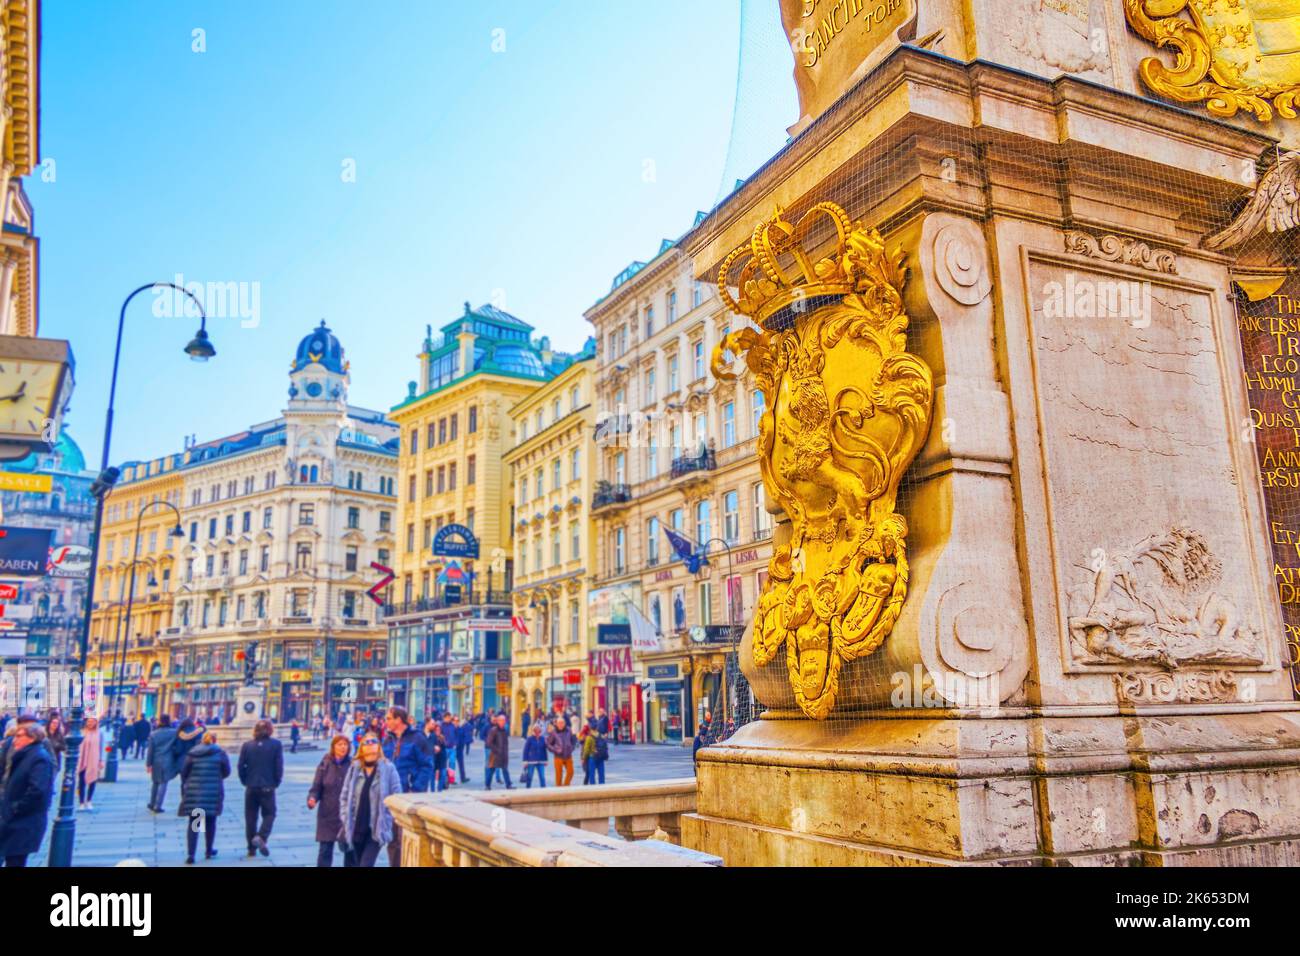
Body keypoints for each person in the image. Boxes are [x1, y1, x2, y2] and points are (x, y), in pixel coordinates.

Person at [381, 705, 432, 868]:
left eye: (389, 718)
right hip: (391, 797)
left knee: (407, 838)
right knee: (393, 840)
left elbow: (427, 766)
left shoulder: (417, 738)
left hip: (409, 795)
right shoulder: (388, 740)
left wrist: (415, 788)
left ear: (399, 719)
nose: (386, 721)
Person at [339, 733, 400, 867]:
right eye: (367, 742)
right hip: (355, 828)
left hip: (375, 830)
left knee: (366, 864)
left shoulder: (388, 768)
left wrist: (386, 820)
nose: (371, 744)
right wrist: (345, 817)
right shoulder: (354, 769)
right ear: (361, 748)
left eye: (374, 741)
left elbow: (397, 796)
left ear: (379, 746)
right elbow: (344, 796)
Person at [0, 723, 53, 866]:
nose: (14, 741)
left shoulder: (38, 758)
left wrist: (15, 808)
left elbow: (37, 791)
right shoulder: (26, 755)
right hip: (15, 820)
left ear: (32, 738)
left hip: (23, 822)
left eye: (19, 736)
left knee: (15, 860)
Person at [177, 731, 230, 864]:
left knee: (195, 824)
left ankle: (191, 854)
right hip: (213, 793)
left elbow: (184, 773)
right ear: (215, 740)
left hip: (195, 794)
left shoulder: (193, 753)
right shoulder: (220, 754)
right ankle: (208, 850)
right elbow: (227, 772)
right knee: (210, 822)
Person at [237, 719, 284, 858]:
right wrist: (276, 782)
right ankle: (261, 836)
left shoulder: (247, 746)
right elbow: (278, 766)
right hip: (268, 786)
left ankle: (251, 848)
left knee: (250, 818)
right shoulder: (276, 745)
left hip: (251, 786)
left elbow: (240, 766)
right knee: (270, 814)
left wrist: (245, 780)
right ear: (270, 730)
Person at [308, 734, 351, 867]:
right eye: (340, 744)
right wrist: (312, 798)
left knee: (350, 850)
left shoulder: (353, 765)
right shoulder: (325, 764)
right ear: (333, 747)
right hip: (327, 813)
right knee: (325, 850)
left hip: (346, 814)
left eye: (345, 744)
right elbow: (316, 787)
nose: (343, 747)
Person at [145, 713, 181, 812]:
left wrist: (148, 764)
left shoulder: (154, 734)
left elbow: (150, 751)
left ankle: (152, 803)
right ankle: (158, 806)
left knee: (155, 782)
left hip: (156, 760)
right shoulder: (174, 733)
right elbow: (177, 747)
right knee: (164, 782)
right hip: (168, 760)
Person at [77, 716, 103, 811]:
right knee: (81, 782)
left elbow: (103, 747)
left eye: (92, 721)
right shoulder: (81, 732)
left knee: (92, 780)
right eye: (89, 721)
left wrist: (101, 760)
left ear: (96, 722)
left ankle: (89, 801)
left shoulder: (99, 733)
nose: (90, 723)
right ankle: (81, 802)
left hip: (94, 760)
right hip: (82, 760)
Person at [545, 716, 577, 787]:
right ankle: (558, 789)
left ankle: (565, 786)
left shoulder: (569, 730)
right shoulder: (554, 732)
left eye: (562, 723)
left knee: (571, 772)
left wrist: (571, 748)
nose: (561, 724)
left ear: (565, 723)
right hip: (558, 756)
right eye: (559, 723)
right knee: (559, 775)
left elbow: (573, 740)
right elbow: (548, 743)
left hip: (568, 755)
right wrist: (555, 750)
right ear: (556, 724)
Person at [485, 712, 513, 790]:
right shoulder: (494, 730)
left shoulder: (504, 730)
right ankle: (487, 785)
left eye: (504, 721)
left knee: (505, 770)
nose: (503, 722)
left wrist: (506, 752)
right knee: (491, 770)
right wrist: (496, 750)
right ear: (498, 721)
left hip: (503, 754)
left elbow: (505, 743)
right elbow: (488, 742)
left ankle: (508, 785)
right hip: (495, 754)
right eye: (501, 720)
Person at [522, 723, 547, 788]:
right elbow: (525, 750)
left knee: (542, 777)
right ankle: (528, 789)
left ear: (540, 730)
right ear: (533, 730)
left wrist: (546, 760)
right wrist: (525, 761)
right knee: (529, 777)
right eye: (536, 729)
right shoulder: (529, 739)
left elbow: (544, 750)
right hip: (531, 761)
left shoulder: (543, 738)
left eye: (538, 730)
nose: (537, 731)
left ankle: (544, 790)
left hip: (541, 761)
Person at [454, 716, 471, 784]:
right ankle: (450, 779)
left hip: (460, 749)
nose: (456, 722)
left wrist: (463, 743)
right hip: (453, 749)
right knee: (451, 764)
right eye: (455, 721)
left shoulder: (461, 729)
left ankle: (463, 778)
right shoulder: (452, 729)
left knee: (461, 764)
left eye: (458, 720)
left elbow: (464, 736)